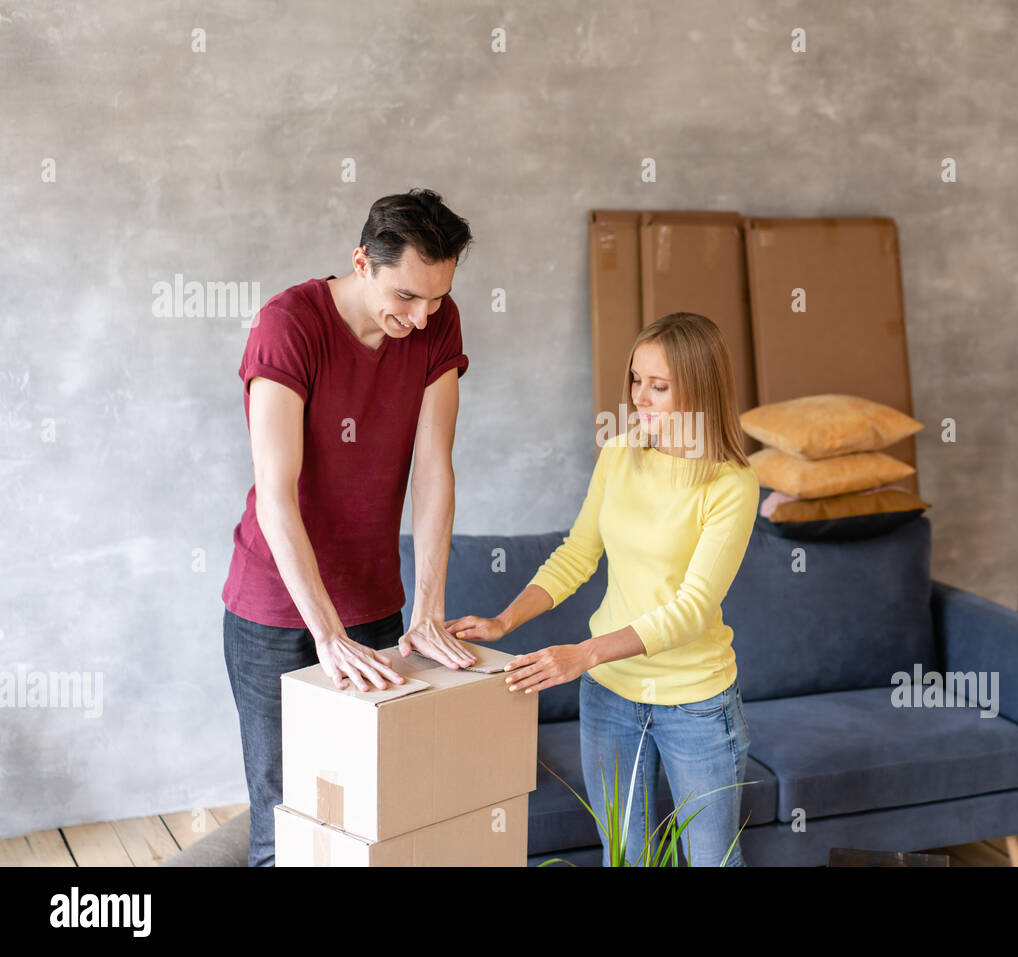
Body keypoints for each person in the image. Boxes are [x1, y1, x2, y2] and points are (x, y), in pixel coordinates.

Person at [221, 188, 478, 867]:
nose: (422, 318)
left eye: (437, 298)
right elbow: (277, 493)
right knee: (289, 824)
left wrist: (427, 610)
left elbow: (433, 471)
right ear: (361, 261)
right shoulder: (288, 325)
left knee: (374, 814)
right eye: (406, 297)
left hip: (374, 605)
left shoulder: (437, 322)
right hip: (276, 613)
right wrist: (325, 634)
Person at [447, 313, 760, 866]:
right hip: (610, 695)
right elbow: (577, 553)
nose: (640, 396)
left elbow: (691, 610)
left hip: (694, 703)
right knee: (628, 857)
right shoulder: (620, 453)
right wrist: (503, 622)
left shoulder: (730, 482)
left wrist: (584, 654)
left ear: (700, 388)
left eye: (658, 386)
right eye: (636, 379)